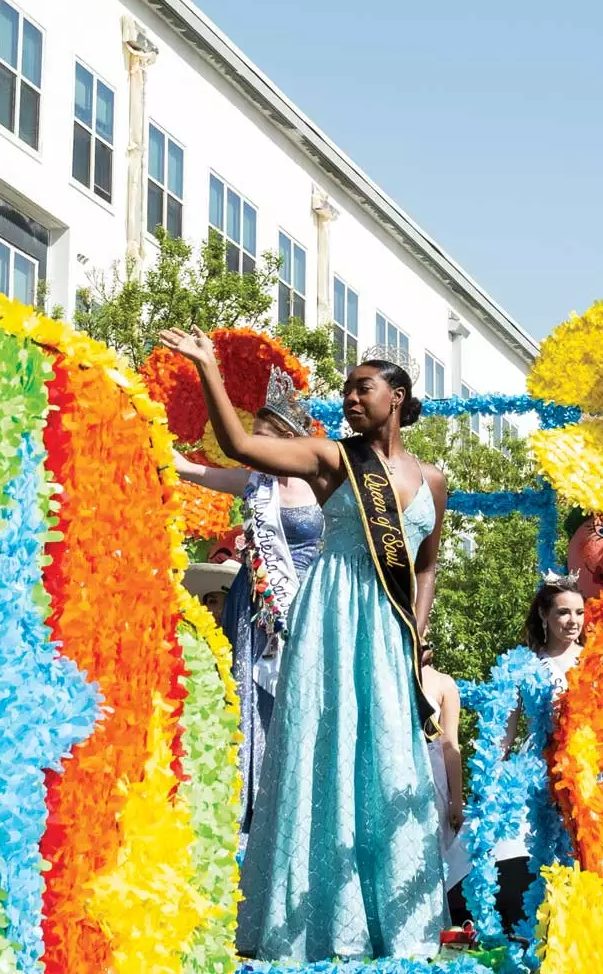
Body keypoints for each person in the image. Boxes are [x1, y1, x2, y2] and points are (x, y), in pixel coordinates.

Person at [161, 330, 450, 962]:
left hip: (388, 630)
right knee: (320, 750)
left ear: (397, 397)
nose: (349, 397)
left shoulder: (433, 480)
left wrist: (417, 637)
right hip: (329, 618)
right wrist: (208, 368)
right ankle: (309, 921)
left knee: (386, 755)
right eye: (345, 388)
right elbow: (240, 445)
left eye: (362, 387)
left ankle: (388, 921)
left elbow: (426, 568)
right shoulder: (330, 458)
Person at [172, 370, 325, 844]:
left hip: (304, 603)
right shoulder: (253, 483)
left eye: (262, 438)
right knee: (251, 701)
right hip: (252, 605)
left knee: (297, 701)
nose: (254, 447)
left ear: (289, 441)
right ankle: (247, 815)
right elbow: (193, 470)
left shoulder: (322, 483)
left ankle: (297, 814)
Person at [488, 578, 603, 935]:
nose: (573, 620)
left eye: (579, 612)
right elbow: (505, 733)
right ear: (544, 615)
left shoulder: (596, 660)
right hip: (537, 776)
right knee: (532, 866)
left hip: (587, 776)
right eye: (563, 612)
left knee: (591, 863)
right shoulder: (524, 664)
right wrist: (492, 782)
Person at [420, 644, 471, 922]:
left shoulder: (443, 683)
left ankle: (438, 923)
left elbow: (451, 743)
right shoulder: (388, 676)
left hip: (433, 777)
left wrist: (456, 799)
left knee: (435, 850)